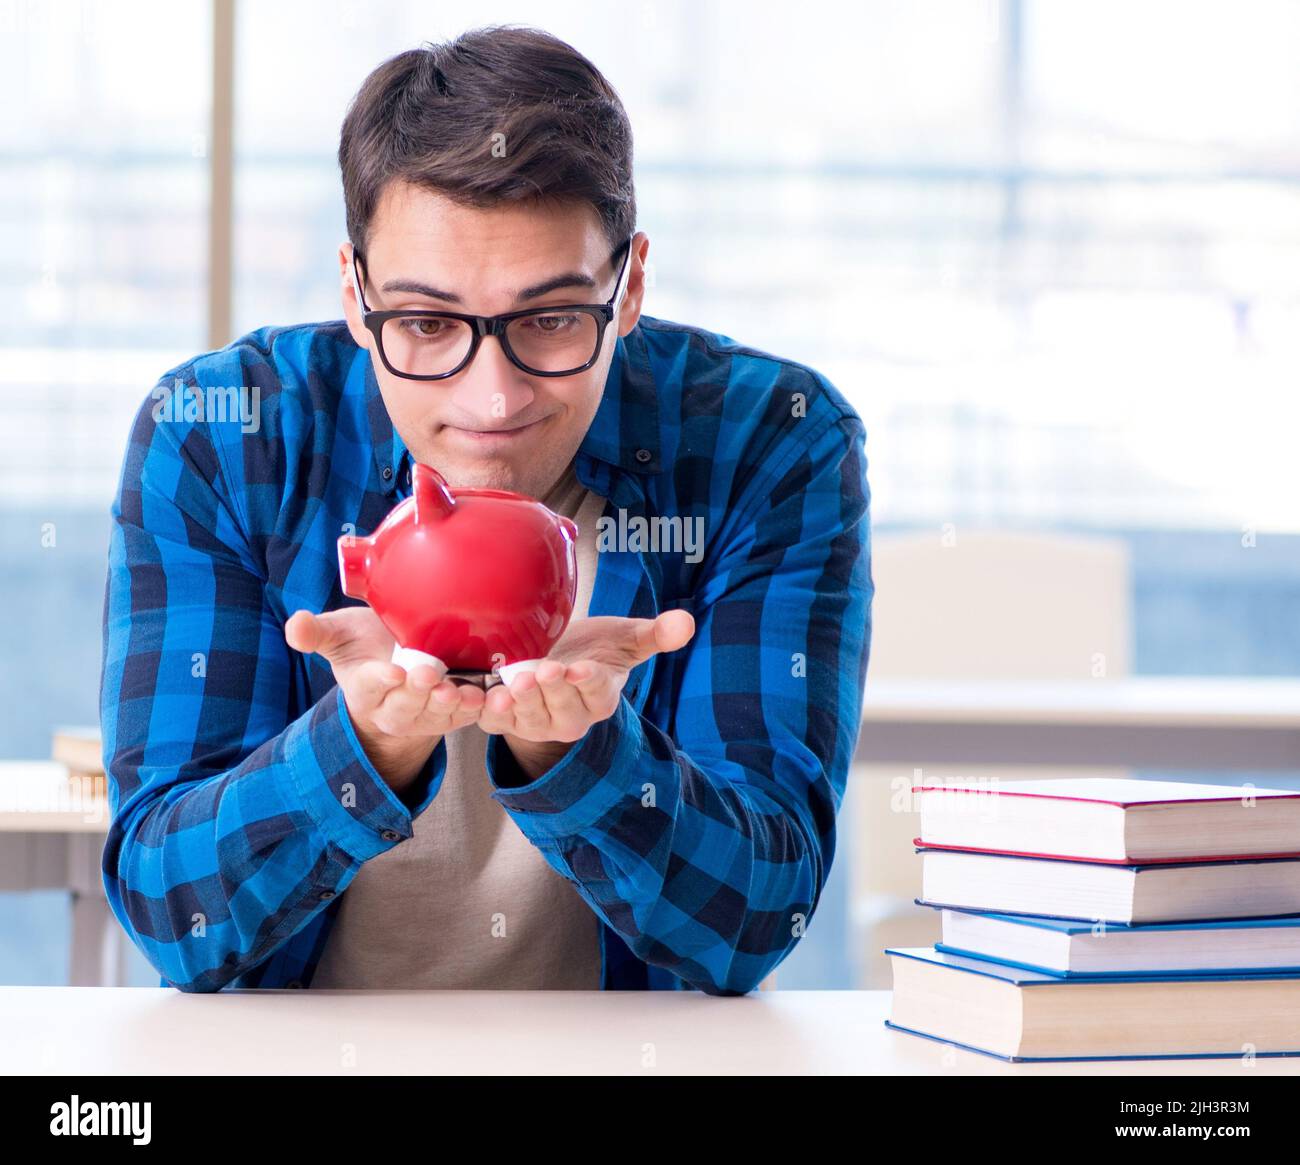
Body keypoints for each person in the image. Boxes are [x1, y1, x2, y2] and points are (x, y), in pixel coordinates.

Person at [99, 25, 873, 995]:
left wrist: (581, 755)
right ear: (353, 291)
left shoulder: (767, 445)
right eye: (425, 323)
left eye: (550, 319)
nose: (493, 400)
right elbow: (174, 916)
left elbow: (759, 916)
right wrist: (366, 746)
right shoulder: (229, 438)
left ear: (629, 285)